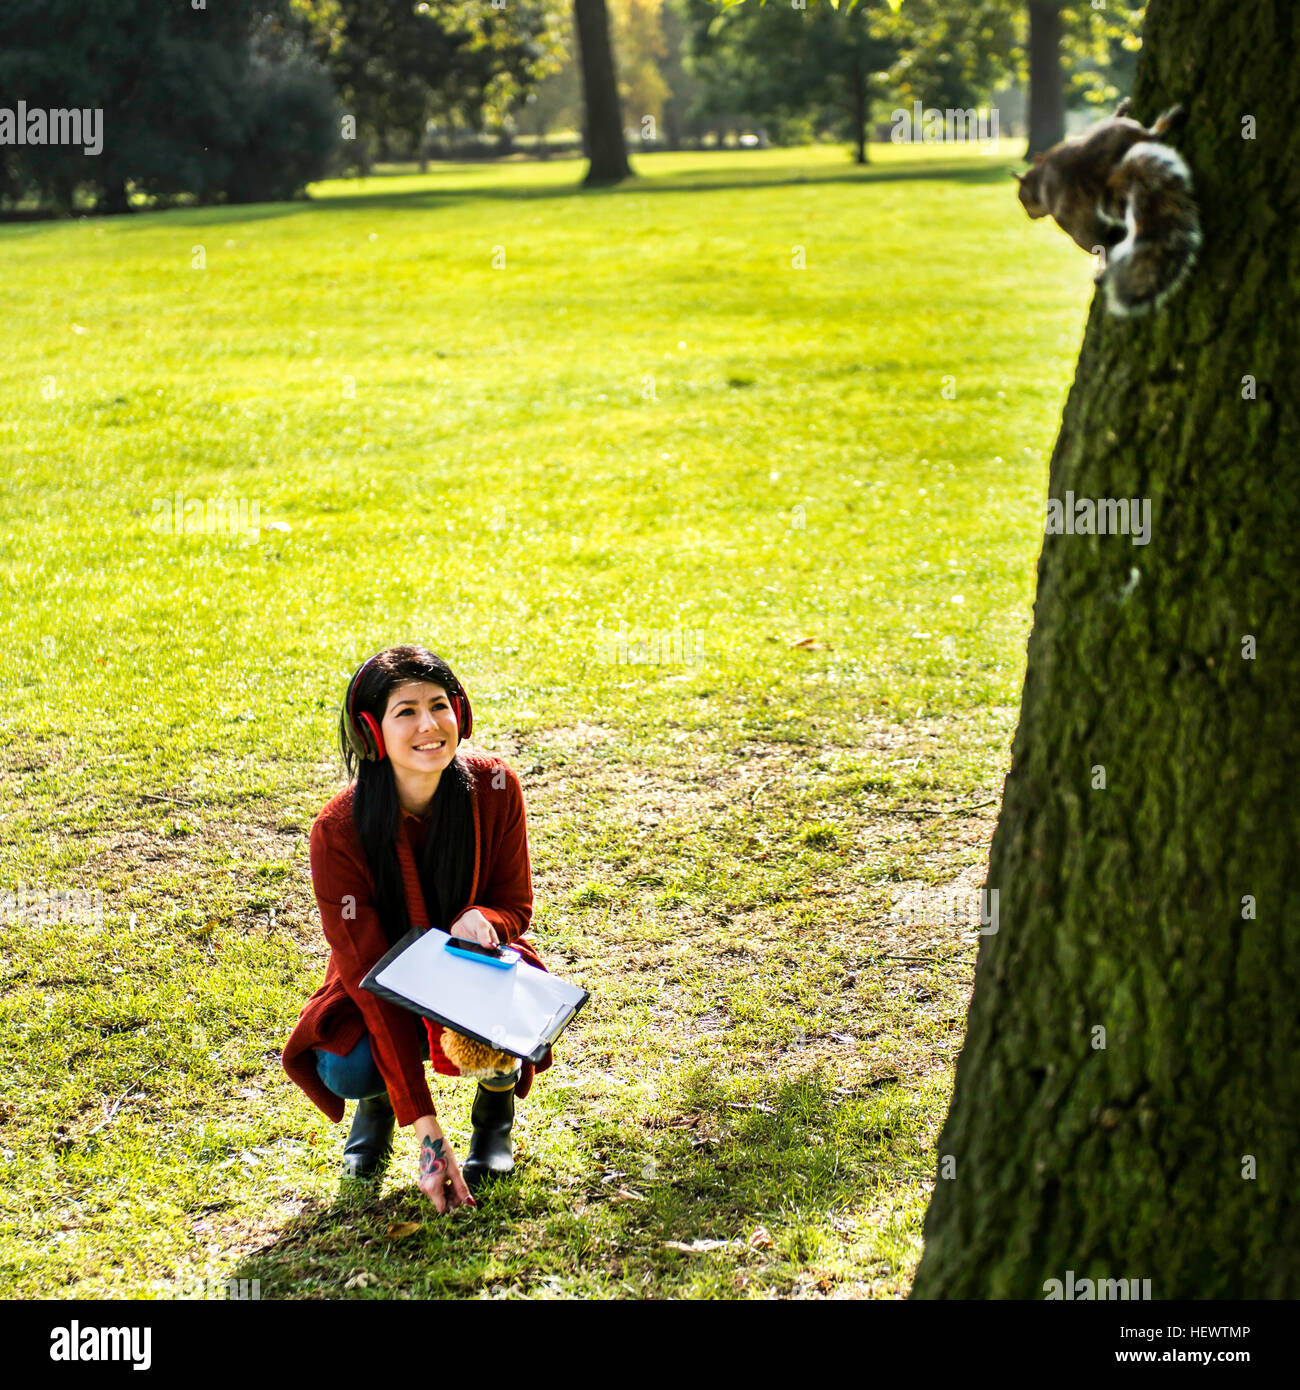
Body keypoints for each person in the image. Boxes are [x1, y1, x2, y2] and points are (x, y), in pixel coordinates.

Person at [281, 645, 553, 1212]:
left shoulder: (497, 788)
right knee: (349, 1064)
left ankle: (494, 1117)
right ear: (371, 732)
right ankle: (376, 1104)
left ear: (462, 712)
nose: (429, 725)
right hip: (383, 977)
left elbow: (514, 903)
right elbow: (367, 976)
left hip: (470, 963)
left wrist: (489, 919)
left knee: (514, 1013)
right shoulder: (337, 830)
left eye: (439, 706)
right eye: (405, 711)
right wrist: (426, 1131)